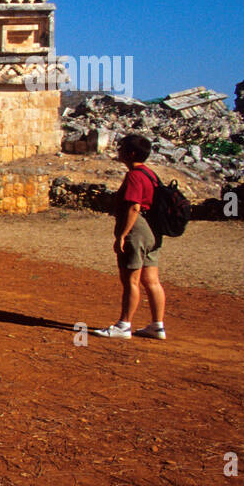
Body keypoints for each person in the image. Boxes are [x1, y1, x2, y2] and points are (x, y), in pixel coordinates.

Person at [93, 133, 167, 340]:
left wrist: (122, 236)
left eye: (122, 148)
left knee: (131, 280)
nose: (119, 151)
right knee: (151, 280)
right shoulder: (151, 174)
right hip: (153, 231)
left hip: (138, 229)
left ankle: (123, 325)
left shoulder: (134, 175)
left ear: (131, 153)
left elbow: (134, 207)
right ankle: (157, 325)